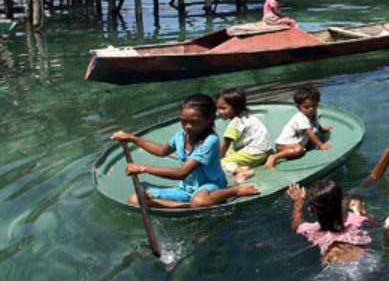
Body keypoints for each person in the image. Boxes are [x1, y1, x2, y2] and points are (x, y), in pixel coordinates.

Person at [111, 94, 259, 209]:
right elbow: (161, 151)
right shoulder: (181, 135)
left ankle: (234, 191)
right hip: (187, 189)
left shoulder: (210, 140)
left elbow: (182, 173)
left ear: (209, 119)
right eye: (183, 121)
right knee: (135, 199)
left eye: (194, 122)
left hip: (210, 186)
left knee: (199, 201)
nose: (187, 126)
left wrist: (143, 168)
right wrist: (132, 138)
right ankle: (188, 206)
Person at [267, 87, 333, 169]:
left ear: (317, 102)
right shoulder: (301, 118)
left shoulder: (313, 112)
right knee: (299, 150)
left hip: (295, 143)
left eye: (314, 105)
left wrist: (322, 129)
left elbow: (315, 122)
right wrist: (321, 145)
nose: (311, 109)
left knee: (301, 148)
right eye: (306, 107)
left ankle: (281, 154)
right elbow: (309, 133)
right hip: (283, 145)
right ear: (298, 107)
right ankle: (274, 157)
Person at [216, 88, 271, 182]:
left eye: (223, 108)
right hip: (264, 151)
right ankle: (242, 166)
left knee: (221, 163)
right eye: (218, 108)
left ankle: (242, 171)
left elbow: (225, 145)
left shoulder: (234, 123)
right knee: (228, 152)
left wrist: (218, 160)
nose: (219, 112)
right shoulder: (248, 116)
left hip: (255, 154)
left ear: (236, 107)